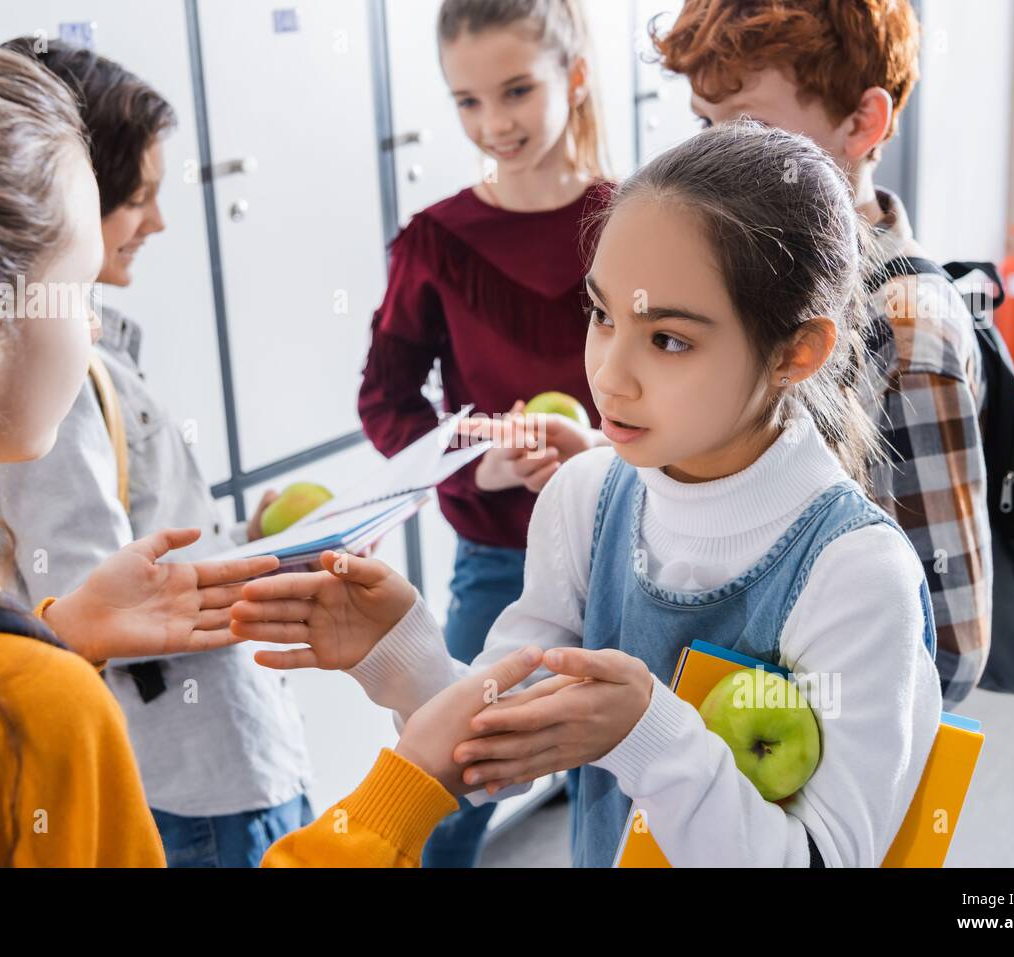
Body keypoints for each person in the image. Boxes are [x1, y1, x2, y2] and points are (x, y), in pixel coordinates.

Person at [235, 122, 944, 867]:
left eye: (668, 339)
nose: (608, 375)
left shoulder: (856, 573)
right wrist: (400, 651)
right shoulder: (585, 499)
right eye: (602, 315)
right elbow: (502, 751)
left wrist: (648, 733)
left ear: (798, 353)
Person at [0, 29, 274, 866]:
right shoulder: (42, 712)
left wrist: (58, 631)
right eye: (74, 288)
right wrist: (404, 784)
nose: (89, 323)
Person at [0, 40, 315, 867]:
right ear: (74, 193)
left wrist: (250, 535)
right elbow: (103, 597)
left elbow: (131, 549)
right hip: (194, 771)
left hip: (216, 757)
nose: (158, 221)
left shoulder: (83, 358)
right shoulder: (47, 384)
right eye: (141, 195)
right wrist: (279, 566)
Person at [654, 0, 991, 708]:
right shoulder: (762, 282)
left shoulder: (907, 339)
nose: (716, 159)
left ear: (863, 123)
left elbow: (950, 649)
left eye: (748, 125)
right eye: (705, 125)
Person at [356, 0, 610, 866]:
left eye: (515, 91)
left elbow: (692, 382)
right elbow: (387, 404)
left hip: (632, 546)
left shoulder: (639, 221)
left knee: (626, 782)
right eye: (467, 101)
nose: (492, 124)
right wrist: (481, 466)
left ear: (573, 78)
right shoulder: (435, 242)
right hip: (500, 560)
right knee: (454, 774)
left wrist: (603, 454)